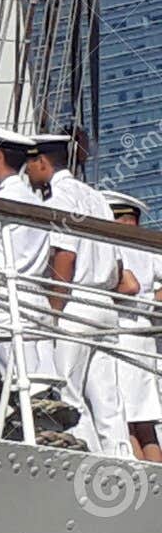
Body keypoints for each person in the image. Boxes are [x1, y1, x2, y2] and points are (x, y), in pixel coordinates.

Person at [28, 132, 132, 454]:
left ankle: (88, 458)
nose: (28, 172)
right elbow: (117, 263)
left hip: (75, 301)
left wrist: (55, 312)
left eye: (29, 165)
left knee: (69, 392)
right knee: (109, 399)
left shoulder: (60, 197)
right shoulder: (99, 199)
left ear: (41, 161)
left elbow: (65, 256)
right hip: (104, 302)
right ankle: (121, 459)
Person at [0, 126, 57, 384]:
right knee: (41, 379)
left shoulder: (0, 201)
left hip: (9, 299)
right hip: (37, 298)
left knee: (16, 379)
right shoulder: (37, 202)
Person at [105, 191, 162, 461]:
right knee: (146, 423)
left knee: (125, 419)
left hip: (122, 332)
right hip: (145, 336)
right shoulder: (147, 246)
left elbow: (129, 285)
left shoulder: (114, 244)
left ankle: (144, 482)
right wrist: (150, 304)